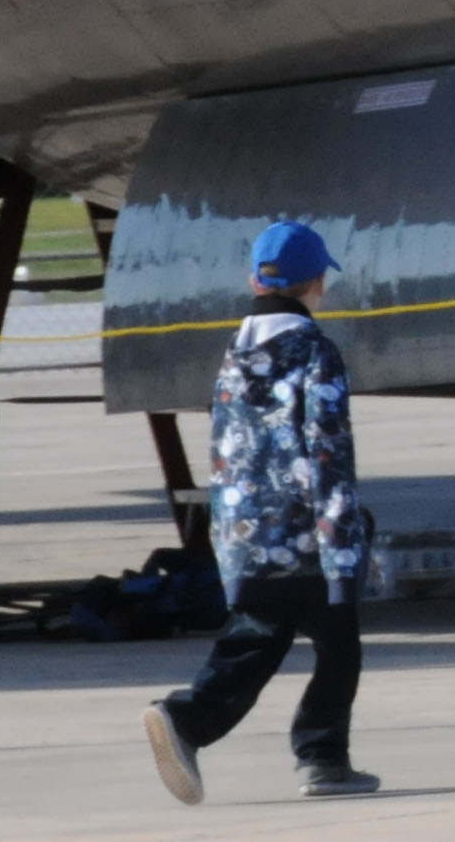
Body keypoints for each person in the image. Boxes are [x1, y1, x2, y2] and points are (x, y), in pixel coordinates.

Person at [141, 220, 379, 803]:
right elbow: (328, 451)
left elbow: (227, 447)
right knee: (338, 643)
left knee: (260, 636)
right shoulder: (315, 351)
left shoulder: (235, 352)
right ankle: (321, 757)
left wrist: (227, 537)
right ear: (318, 282)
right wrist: (343, 539)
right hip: (306, 534)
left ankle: (190, 721)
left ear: (255, 279)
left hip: (245, 532)